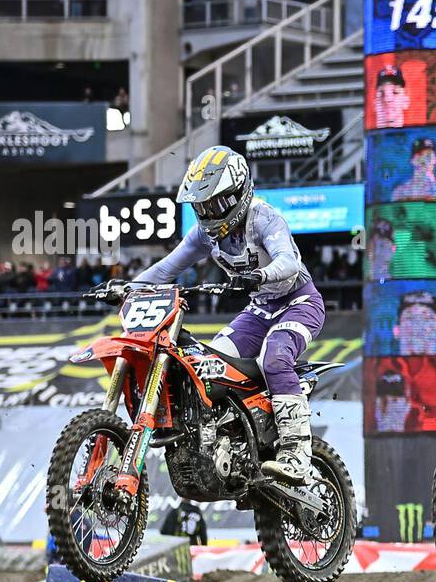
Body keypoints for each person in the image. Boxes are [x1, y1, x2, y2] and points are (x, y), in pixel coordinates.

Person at [133, 145, 324, 486]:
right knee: (210, 363)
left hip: (299, 301)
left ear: (239, 194)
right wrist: (125, 288)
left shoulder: (264, 218)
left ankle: (296, 454)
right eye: (201, 207)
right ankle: (233, 439)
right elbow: (165, 269)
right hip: (260, 309)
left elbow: (289, 261)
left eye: (215, 204)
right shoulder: (204, 234)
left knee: (275, 357)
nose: (208, 214)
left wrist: (259, 276)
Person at [390, 137, 436, 202]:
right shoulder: (399, 193)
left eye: (428, 155)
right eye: (420, 155)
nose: (424, 159)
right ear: (412, 160)